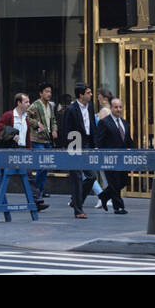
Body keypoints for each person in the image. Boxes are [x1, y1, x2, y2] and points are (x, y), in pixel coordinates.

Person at [60, 84, 97, 218]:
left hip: (86, 145)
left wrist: (94, 145)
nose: (91, 95)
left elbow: (92, 126)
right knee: (76, 177)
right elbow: (65, 130)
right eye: (88, 92)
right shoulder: (71, 109)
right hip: (74, 145)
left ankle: (76, 200)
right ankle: (78, 210)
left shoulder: (90, 108)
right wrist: (68, 149)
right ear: (81, 95)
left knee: (92, 176)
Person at [93, 96, 134, 215]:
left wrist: (133, 149)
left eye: (120, 107)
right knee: (114, 182)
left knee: (123, 181)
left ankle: (104, 196)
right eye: (116, 107)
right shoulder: (104, 122)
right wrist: (99, 153)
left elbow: (127, 139)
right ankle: (118, 207)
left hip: (122, 159)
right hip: (109, 158)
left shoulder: (125, 122)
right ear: (111, 108)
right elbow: (99, 140)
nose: (118, 109)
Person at [27, 82, 58, 201]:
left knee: (46, 165)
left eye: (50, 92)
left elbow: (53, 119)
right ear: (41, 93)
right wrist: (36, 123)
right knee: (42, 166)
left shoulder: (50, 106)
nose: (49, 94)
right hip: (37, 139)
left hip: (47, 140)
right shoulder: (35, 105)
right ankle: (37, 190)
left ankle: (39, 189)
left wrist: (54, 129)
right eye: (46, 91)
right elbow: (27, 117)